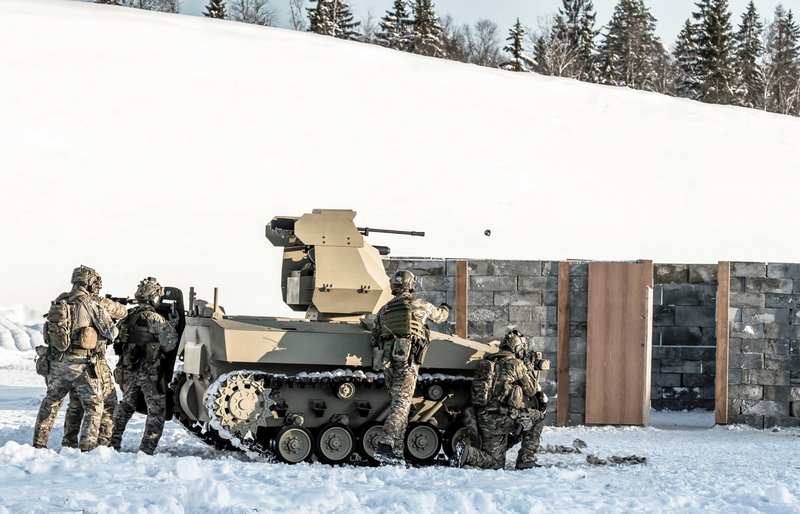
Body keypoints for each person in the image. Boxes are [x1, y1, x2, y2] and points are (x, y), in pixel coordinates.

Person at [33, 265, 127, 451]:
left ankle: (38, 445)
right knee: (94, 406)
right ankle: (87, 449)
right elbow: (112, 333)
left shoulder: (60, 301)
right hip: (81, 365)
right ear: (90, 283)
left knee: (50, 405)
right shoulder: (90, 304)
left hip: (57, 364)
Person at [370, 270, 450, 464]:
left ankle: (396, 454)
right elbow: (440, 316)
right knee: (402, 404)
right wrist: (446, 308)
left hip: (388, 361)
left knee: (399, 404)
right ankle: (385, 444)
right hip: (407, 359)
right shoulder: (419, 305)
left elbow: (374, 337)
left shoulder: (384, 310)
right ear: (411, 285)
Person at [451, 330, 546, 470]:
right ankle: (526, 459)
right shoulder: (515, 364)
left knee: (496, 463)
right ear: (518, 349)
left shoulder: (486, 362)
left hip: (484, 420)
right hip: (505, 418)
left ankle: (467, 453)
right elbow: (531, 390)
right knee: (538, 417)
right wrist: (529, 367)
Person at [109, 277, 178, 455]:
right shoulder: (155, 318)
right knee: (156, 411)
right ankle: (146, 450)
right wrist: (173, 325)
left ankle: (111, 443)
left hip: (127, 370)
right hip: (149, 374)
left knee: (125, 406)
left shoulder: (128, 316)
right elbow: (170, 344)